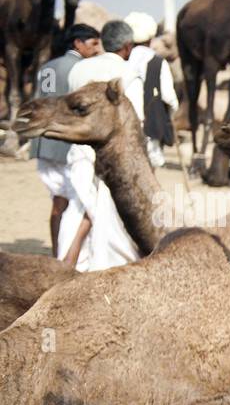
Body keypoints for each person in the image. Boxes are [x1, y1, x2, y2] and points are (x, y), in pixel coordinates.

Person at [62, 19, 146, 271]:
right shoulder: (129, 74)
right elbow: (137, 121)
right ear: (127, 46)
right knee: (112, 212)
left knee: (77, 206)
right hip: (114, 154)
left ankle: (68, 264)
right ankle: (107, 269)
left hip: (79, 148)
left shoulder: (78, 70)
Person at [30, 24, 101, 255]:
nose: (97, 48)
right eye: (93, 43)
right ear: (78, 43)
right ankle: (70, 258)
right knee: (80, 205)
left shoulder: (47, 67)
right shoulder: (81, 68)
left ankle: (56, 252)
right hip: (66, 143)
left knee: (58, 203)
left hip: (43, 141)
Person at [123, 11, 178, 168]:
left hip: (123, 125)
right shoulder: (158, 62)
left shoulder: (121, 61)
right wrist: (169, 116)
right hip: (151, 126)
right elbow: (169, 98)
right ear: (152, 39)